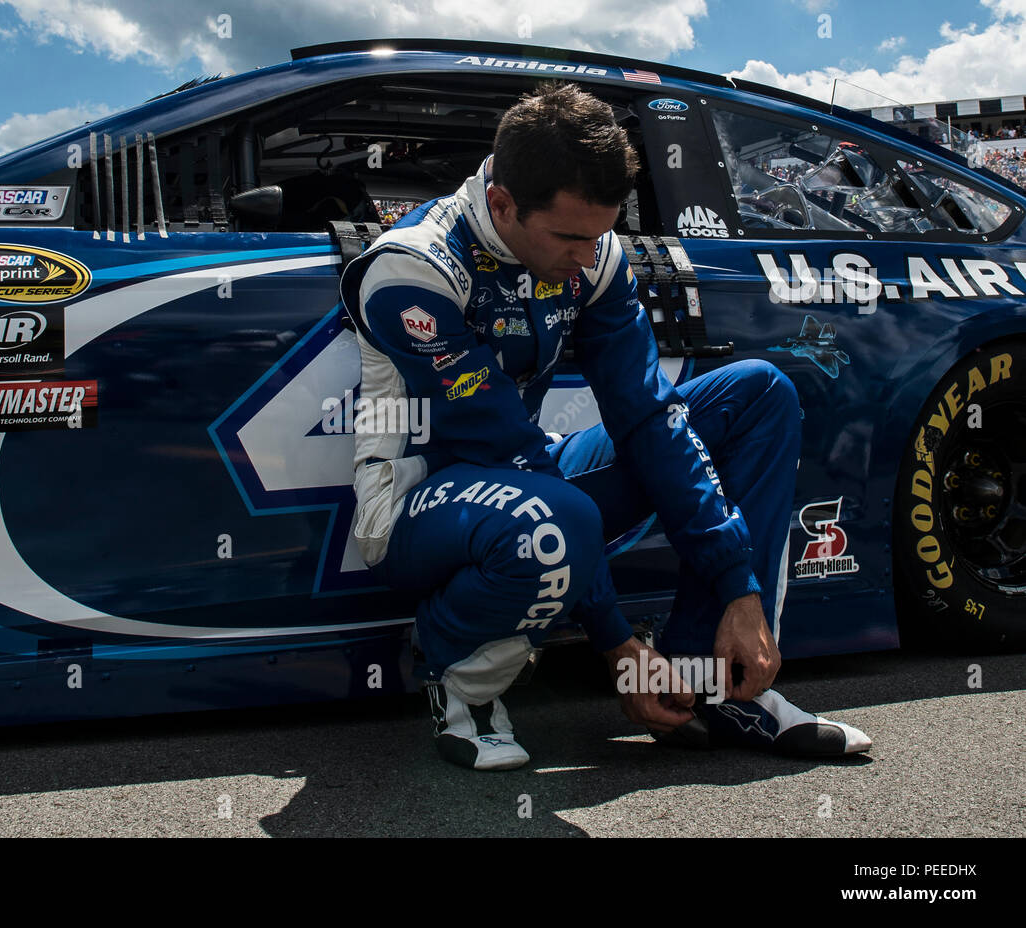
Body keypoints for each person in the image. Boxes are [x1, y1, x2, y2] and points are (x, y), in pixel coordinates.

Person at [339, 83, 872, 771]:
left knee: (757, 395)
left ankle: (714, 685)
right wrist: (621, 651)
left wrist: (738, 587)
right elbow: (502, 448)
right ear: (501, 203)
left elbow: (648, 417)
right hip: (417, 507)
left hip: (528, 479)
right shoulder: (413, 271)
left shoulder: (594, 252)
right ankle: (454, 671)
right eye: (570, 238)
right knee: (556, 514)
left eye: (599, 235)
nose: (590, 258)